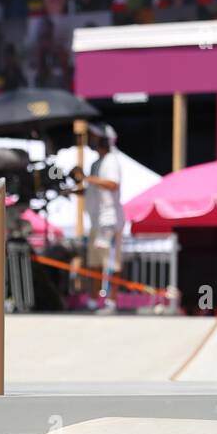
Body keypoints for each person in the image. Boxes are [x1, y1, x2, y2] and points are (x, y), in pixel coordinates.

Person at [74, 124, 124, 311]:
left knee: (110, 262)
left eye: (96, 138)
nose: (94, 141)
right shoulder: (97, 163)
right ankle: (94, 299)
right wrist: (76, 190)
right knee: (95, 262)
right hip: (96, 220)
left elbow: (112, 184)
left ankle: (111, 300)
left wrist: (86, 178)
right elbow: (94, 188)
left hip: (109, 219)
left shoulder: (112, 161)